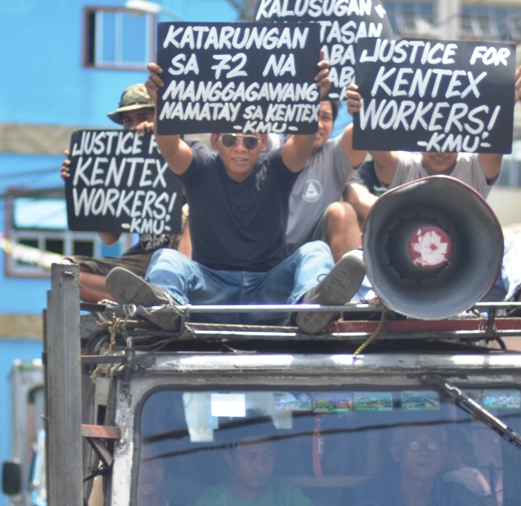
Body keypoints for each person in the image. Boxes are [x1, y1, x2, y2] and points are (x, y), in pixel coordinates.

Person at [104, 57, 366, 333]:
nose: (240, 148)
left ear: (263, 142)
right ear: (216, 140)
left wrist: (312, 98)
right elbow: (169, 146)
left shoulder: (277, 169)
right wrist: (161, 103)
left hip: (268, 290)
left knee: (316, 251)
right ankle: (164, 309)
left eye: (250, 141)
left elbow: (301, 142)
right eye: (231, 140)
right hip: (209, 289)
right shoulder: (200, 168)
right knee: (166, 257)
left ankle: (311, 308)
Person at [344, 65, 521, 310]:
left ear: (462, 137)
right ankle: (368, 304)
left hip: (470, 285)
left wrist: (503, 110)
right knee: (360, 259)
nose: (440, 150)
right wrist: (363, 115)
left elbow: (493, 152)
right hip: (398, 282)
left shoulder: (473, 167)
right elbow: (382, 157)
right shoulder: (404, 167)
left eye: (448, 139)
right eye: (432, 139)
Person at [60, 83, 191, 303]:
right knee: (65, 273)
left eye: (143, 117)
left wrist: (159, 144)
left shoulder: (189, 152)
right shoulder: (119, 167)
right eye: (127, 121)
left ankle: (173, 293)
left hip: (182, 261)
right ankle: (150, 299)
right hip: (144, 261)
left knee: (192, 211)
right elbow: (110, 238)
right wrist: (85, 184)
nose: (135, 126)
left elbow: (201, 193)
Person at [354, 424, 511, 506]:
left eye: (433, 443)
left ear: (445, 453)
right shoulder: (373, 489)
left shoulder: (455, 492)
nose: (424, 452)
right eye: (414, 443)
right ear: (396, 453)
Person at [190, 423, 326, 506]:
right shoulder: (205, 504)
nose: (260, 466)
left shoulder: (287, 495)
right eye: (251, 456)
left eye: (268, 455)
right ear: (229, 459)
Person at [285, 98, 364, 261]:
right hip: (267, 256)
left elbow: (359, 132)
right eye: (311, 115)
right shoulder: (270, 147)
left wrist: (360, 111)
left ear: (333, 125)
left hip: (315, 254)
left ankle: (355, 286)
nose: (318, 124)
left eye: (326, 118)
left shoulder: (334, 155)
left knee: (343, 212)